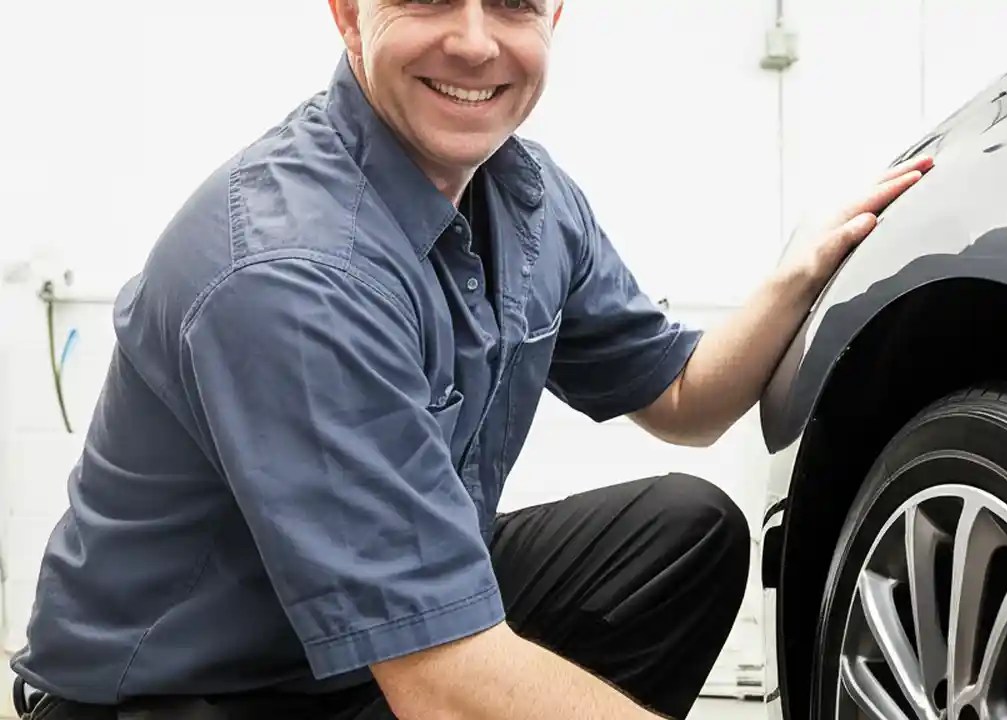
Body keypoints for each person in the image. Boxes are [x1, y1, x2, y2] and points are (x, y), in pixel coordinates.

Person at [9, 1, 931, 718]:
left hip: (377, 660)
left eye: (515, 5)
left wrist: (800, 270)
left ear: (553, 19)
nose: (476, 43)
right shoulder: (291, 272)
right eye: (427, 0)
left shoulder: (526, 197)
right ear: (347, 12)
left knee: (680, 532)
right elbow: (441, 681)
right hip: (192, 695)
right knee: (456, 678)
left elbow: (684, 398)